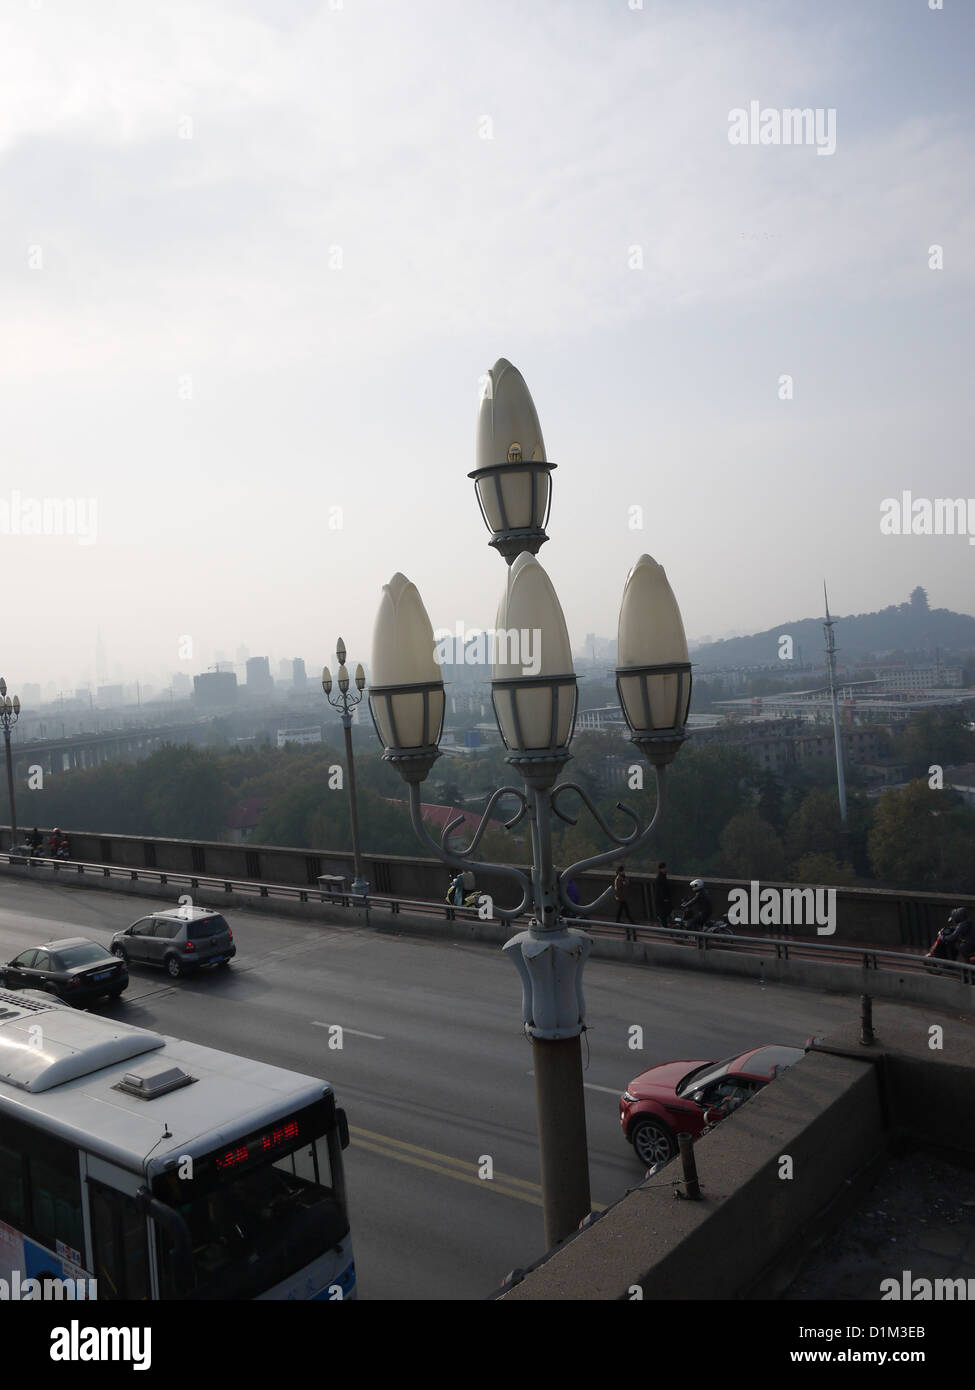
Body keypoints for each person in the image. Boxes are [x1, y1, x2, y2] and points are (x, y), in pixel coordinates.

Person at [614, 865, 635, 940]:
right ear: (620, 871)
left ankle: (618, 920)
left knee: (621, 909)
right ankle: (631, 921)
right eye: (622, 871)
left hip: (622, 897)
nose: (624, 872)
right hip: (621, 897)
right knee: (626, 910)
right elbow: (620, 887)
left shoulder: (621, 878)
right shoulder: (619, 879)